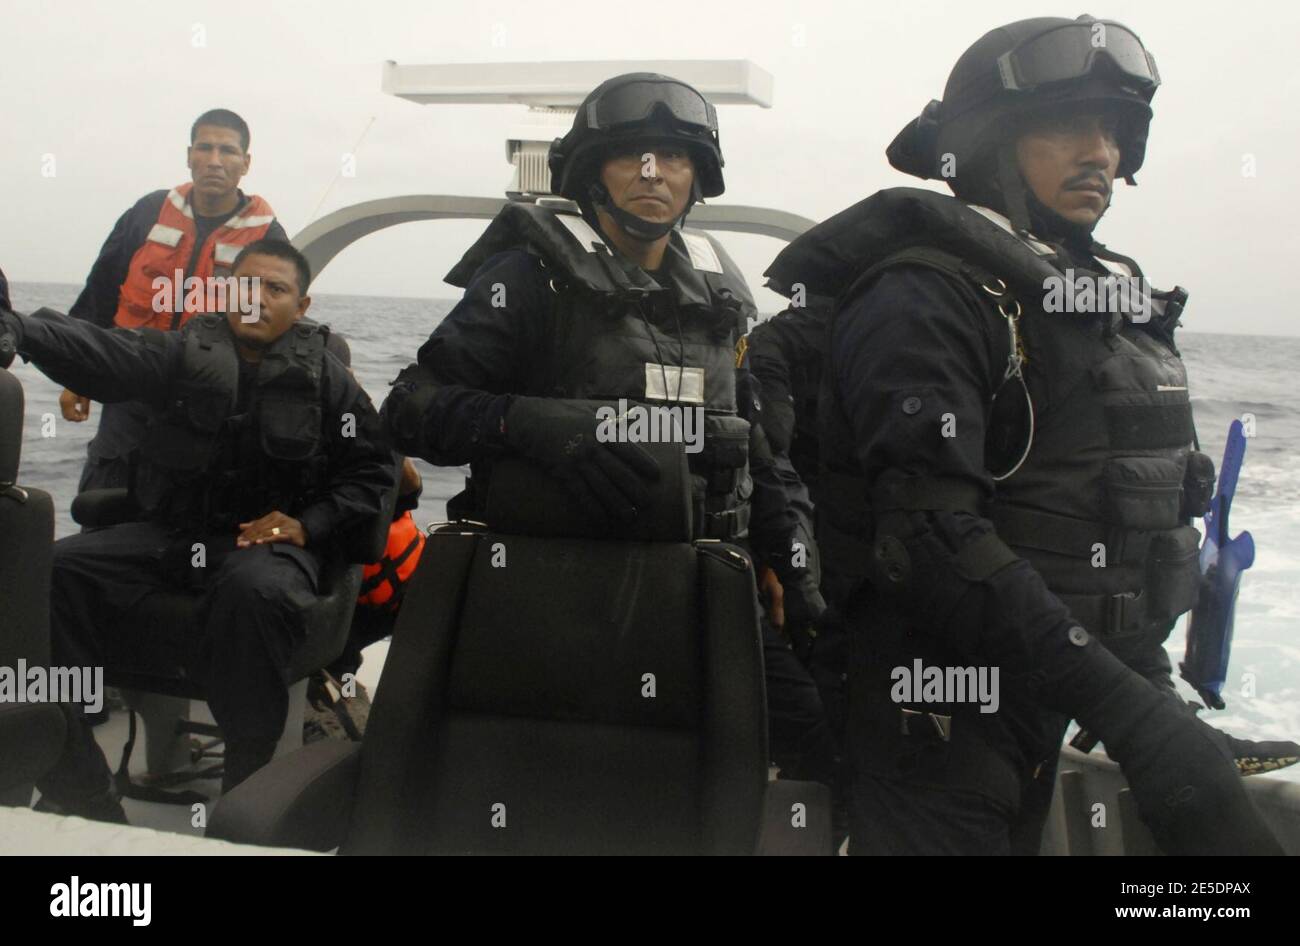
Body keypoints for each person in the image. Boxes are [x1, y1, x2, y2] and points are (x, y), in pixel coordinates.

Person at [765, 14, 1289, 855]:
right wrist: (1134, 719)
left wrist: (1153, 703)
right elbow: (933, 545)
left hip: (1051, 690)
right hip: (935, 712)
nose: (1102, 153)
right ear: (989, 142)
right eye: (1067, 125)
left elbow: (1106, 525)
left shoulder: (1088, 298)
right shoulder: (922, 297)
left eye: (1114, 129)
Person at [382, 72, 833, 784]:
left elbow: (750, 442)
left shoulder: (714, 295)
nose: (654, 173)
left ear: (697, 177)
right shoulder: (527, 280)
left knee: (821, 730)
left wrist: (785, 556)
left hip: (708, 580)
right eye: (631, 155)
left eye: (674, 157)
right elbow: (411, 408)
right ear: (593, 174)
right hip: (561, 587)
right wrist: (534, 423)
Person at [0, 239, 396, 819]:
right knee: (53, 572)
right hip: (174, 536)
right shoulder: (180, 356)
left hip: (267, 549)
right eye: (247, 284)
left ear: (302, 304)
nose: (257, 299)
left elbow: (371, 477)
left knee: (253, 593)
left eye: (276, 289)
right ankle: (79, 775)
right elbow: (103, 352)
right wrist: (24, 331)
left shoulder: (332, 385)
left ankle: (246, 790)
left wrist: (308, 524)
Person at [63, 109, 288, 493]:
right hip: (129, 385)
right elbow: (100, 292)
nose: (215, 160)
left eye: (228, 151)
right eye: (205, 148)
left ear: (246, 163)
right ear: (189, 156)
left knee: (188, 505)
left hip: (209, 400)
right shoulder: (147, 213)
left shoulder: (267, 236)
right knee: (104, 499)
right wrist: (77, 376)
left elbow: (272, 328)